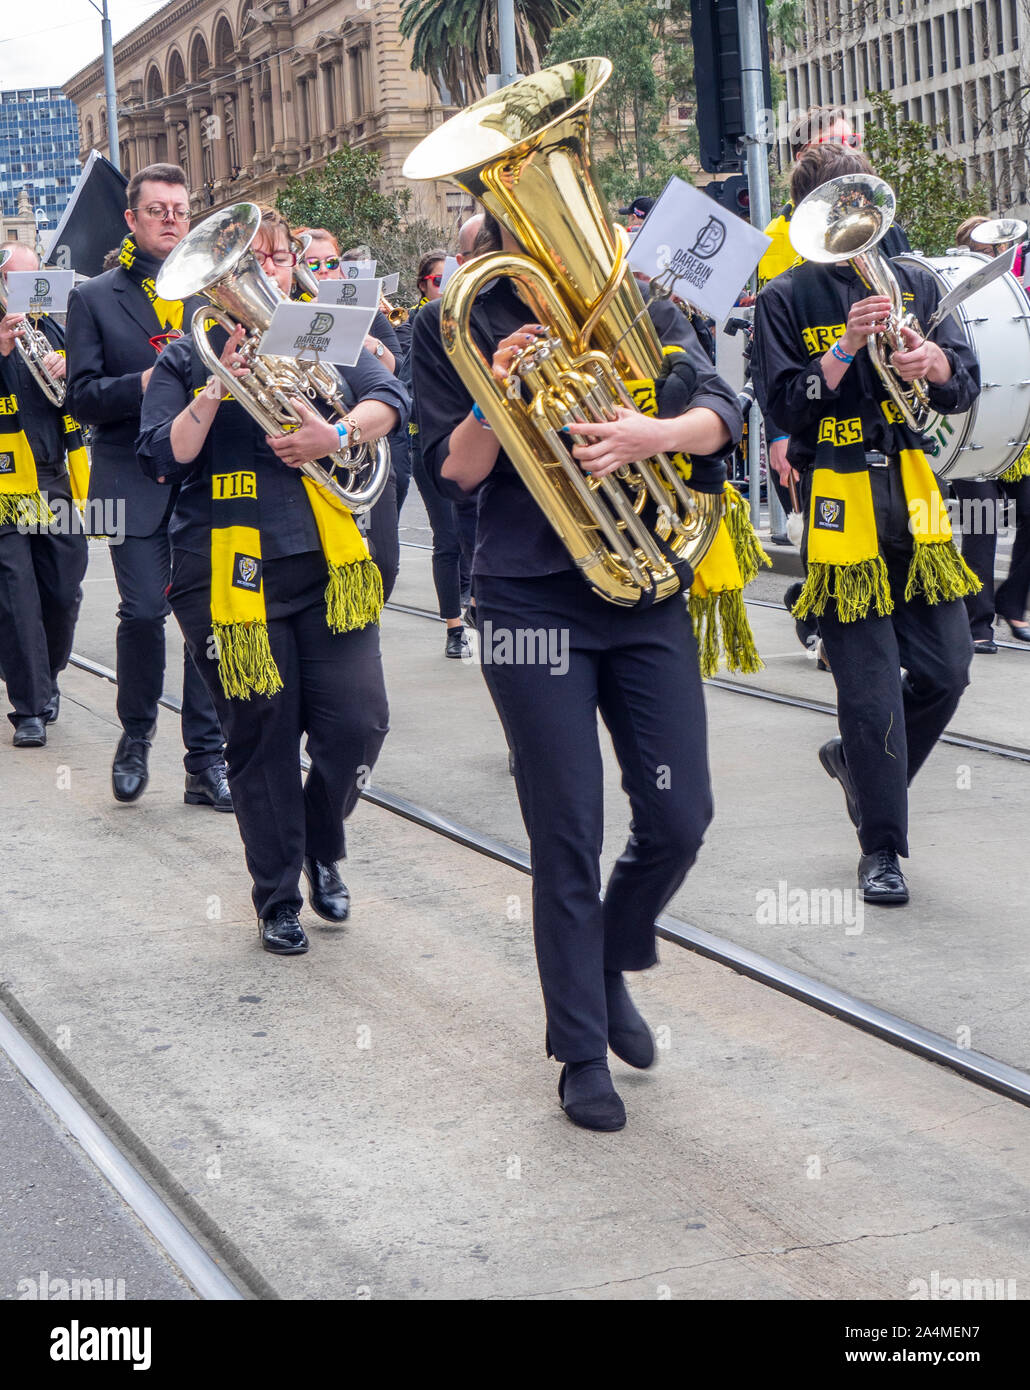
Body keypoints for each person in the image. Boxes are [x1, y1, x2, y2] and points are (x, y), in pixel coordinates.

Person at [413, 212, 743, 1132]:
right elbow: (451, 473)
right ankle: (579, 1052)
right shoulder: (456, 319)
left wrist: (655, 434)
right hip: (527, 599)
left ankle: (613, 947)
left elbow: (724, 414)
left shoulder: (632, 299)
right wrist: (494, 392)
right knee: (567, 831)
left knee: (682, 815)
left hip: (642, 587)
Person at [137, 206, 408, 956]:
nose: (261, 276)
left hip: (327, 564)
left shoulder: (320, 328)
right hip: (225, 570)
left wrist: (340, 432)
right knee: (259, 735)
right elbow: (163, 454)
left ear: (291, 266)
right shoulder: (185, 355)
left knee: (360, 723)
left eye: (273, 260)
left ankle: (321, 840)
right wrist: (219, 384)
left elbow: (392, 399)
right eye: (244, 265)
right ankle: (278, 895)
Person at [752, 142, 981, 909]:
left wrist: (932, 368)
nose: (856, 225)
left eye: (862, 208)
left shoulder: (917, 281)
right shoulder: (786, 297)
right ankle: (881, 849)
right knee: (872, 696)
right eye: (838, 211)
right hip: (839, 497)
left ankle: (860, 768)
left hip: (913, 494)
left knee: (948, 670)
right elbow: (784, 407)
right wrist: (848, 348)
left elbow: (964, 382)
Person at [65, 162, 230, 810]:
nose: (171, 219)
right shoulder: (93, 297)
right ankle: (135, 737)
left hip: (202, 481)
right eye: (157, 209)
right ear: (132, 219)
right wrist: (143, 387)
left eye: (180, 210)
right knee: (141, 611)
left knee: (208, 621)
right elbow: (80, 398)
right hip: (127, 477)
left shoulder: (212, 297)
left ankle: (205, 764)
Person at [0, 241, 89, 746]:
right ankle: (29, 706)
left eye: (38, 281)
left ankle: (45, 676)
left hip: (54, 477)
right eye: (19, 282)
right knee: (17, 595)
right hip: (8, 481)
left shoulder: (54, 328)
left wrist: (68, 364)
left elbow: (84, 388)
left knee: (62, 589)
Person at [294, 227, 404, 600]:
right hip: (310, 455)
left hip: (364, 448)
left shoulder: (368, 314)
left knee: (383, 562)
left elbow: (392, 371)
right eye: (313, 264)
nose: (323, 271)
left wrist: (359, 332)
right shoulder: (291, 314)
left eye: (331, 263)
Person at [947, 217, 1030, 651]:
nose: (1000, 255)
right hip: (969, 429)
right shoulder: (951, 296)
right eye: (991, 248)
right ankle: (977, 621)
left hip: (1014, 428)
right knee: (980, 521)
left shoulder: (1015, 295)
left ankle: (1012, 603)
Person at [399, 247, 470, 657]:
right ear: (425, 286)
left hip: (474, 441)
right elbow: (404, 385)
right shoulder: (421, 323)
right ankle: (454, 627)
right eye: (438, 280)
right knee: (447, 537)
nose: (446, 287)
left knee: (476, 535)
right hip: (428, 442)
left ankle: (477, 606)